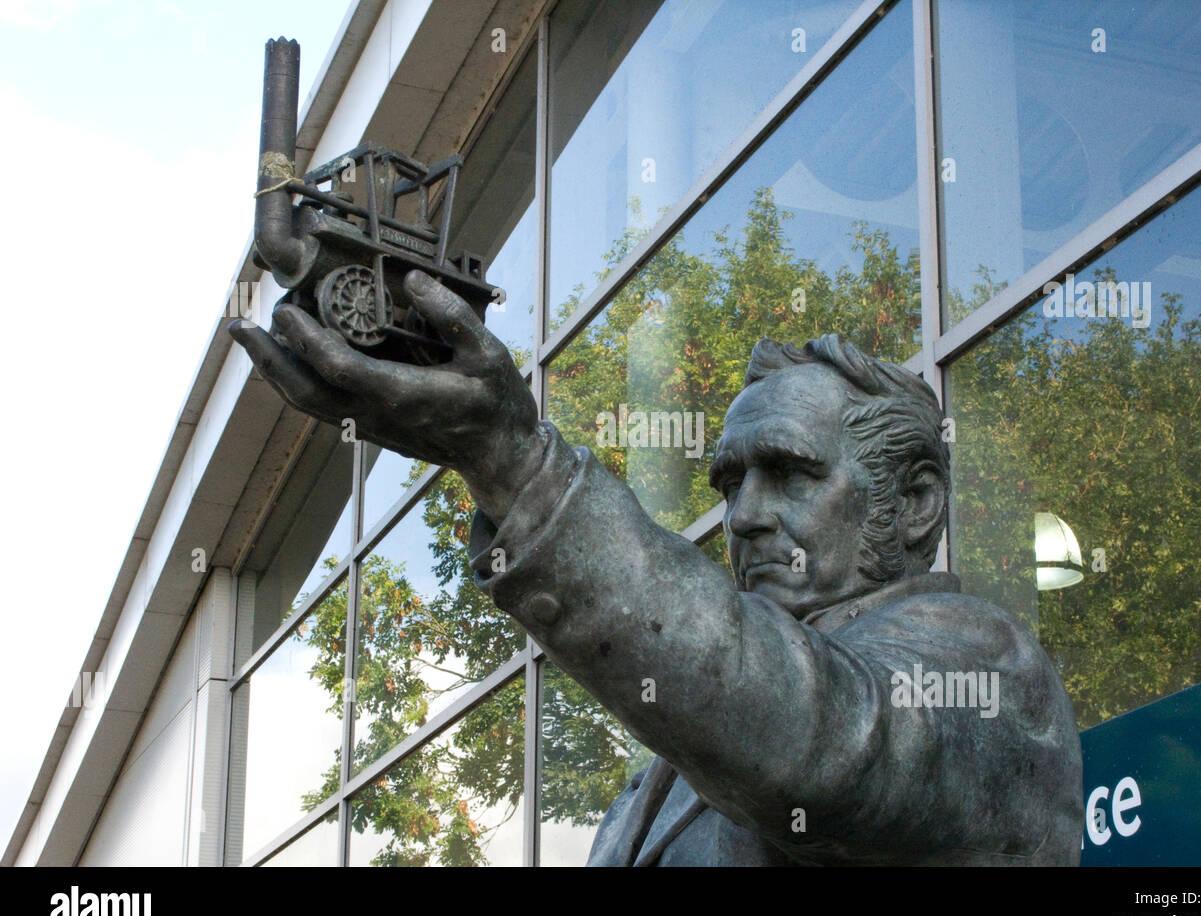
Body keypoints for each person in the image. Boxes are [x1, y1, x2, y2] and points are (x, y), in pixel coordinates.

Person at [230, 270, 1083, 865]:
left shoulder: (985, 669)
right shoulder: (662, 780)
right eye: (730, 482)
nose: (744, 515)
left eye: (789, 473)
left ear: (920, 502)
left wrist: (513, 463)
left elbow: (822, 746)